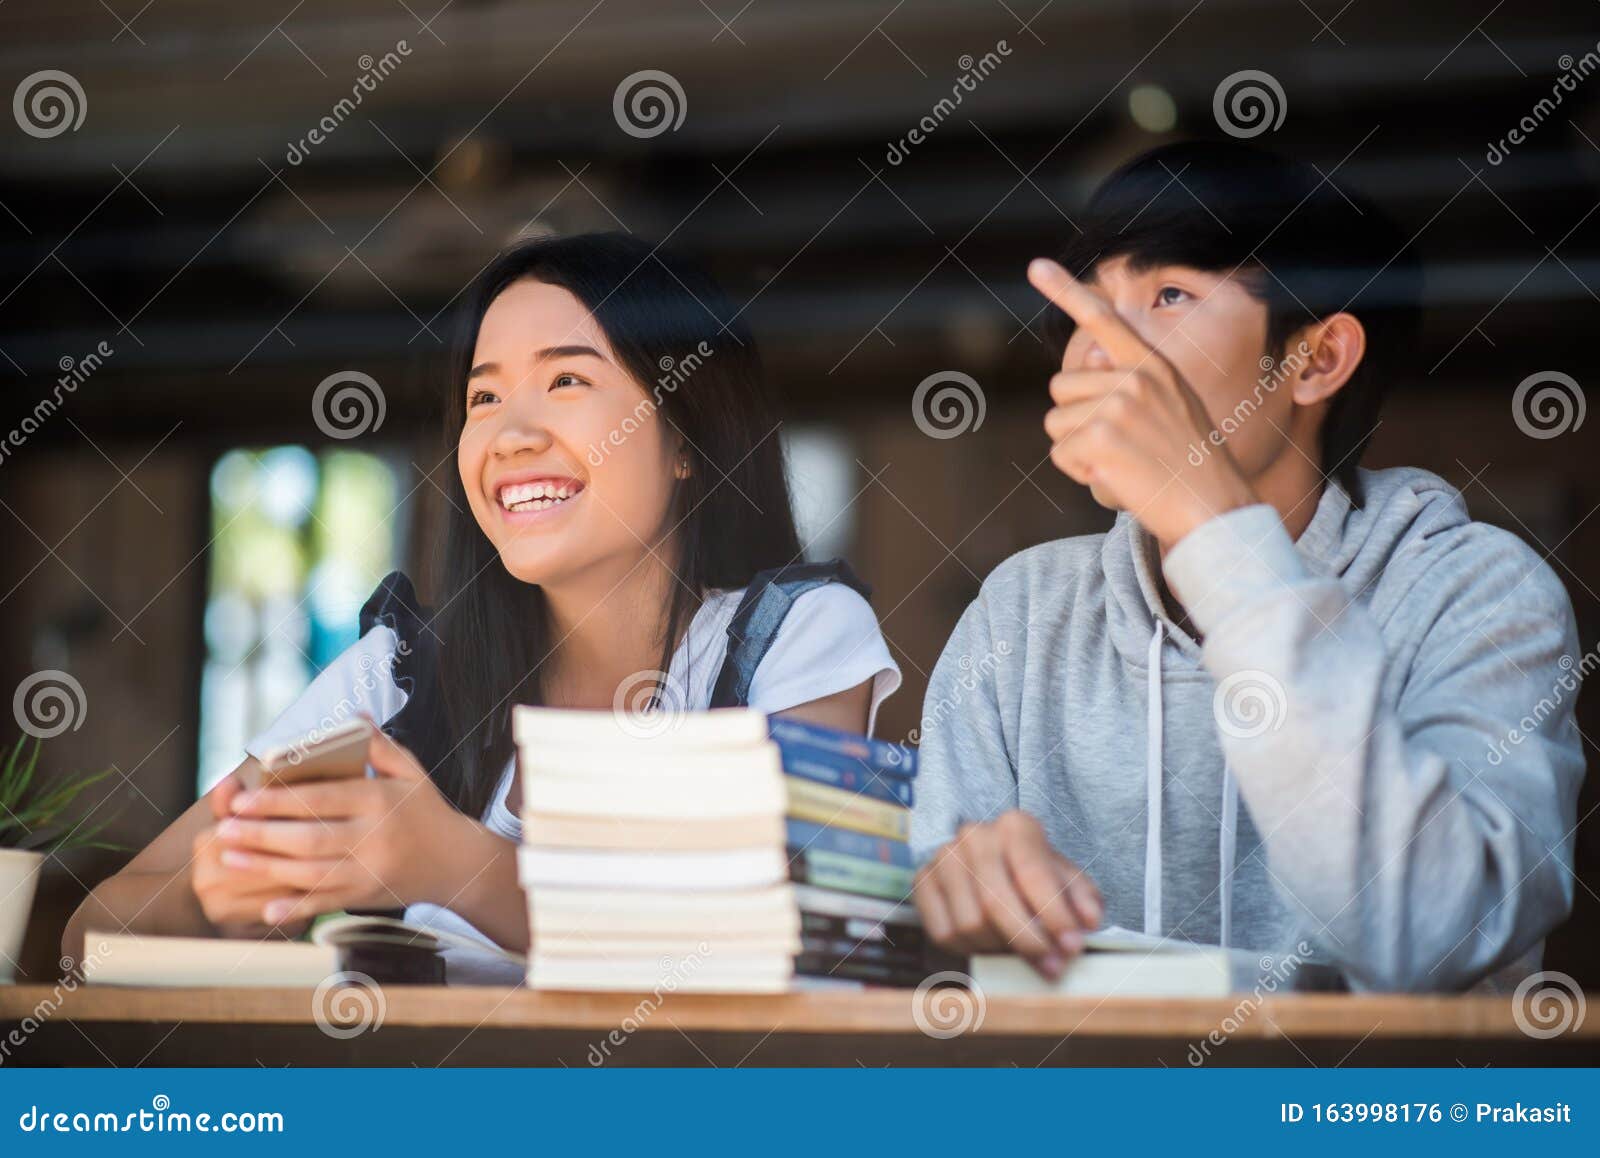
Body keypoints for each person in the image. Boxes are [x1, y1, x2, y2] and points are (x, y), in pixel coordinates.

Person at [65, 232, 901, 969]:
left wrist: (452, 863)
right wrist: (216, 900)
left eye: (566, 380)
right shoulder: (397, 676)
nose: (510, 436)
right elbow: (86, 936)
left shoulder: (797, 638)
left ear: (687, 438)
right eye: (485, 397)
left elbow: (800, 936)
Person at [909, 141, 1585, 991]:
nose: (1099, 351)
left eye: (1169, 295)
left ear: (1318, 359)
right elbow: (917, 970)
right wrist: (953, 889)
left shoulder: (1476, 592)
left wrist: (1215, 534)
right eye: (1089, 309)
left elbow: (1428, 932)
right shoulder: (1022, 610)